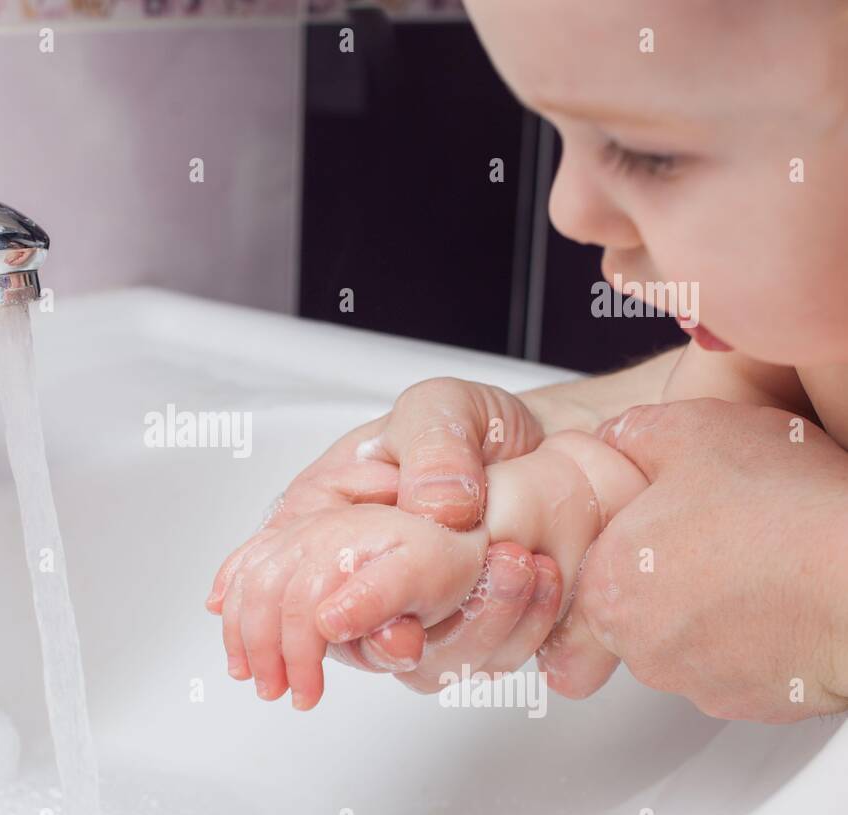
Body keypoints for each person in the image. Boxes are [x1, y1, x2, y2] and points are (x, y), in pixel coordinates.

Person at [208, 0, 848, 723]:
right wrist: (465, 533)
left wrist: (826, 589)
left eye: (645, 150)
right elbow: (647, 473)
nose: (568, 211)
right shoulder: (782, 359)